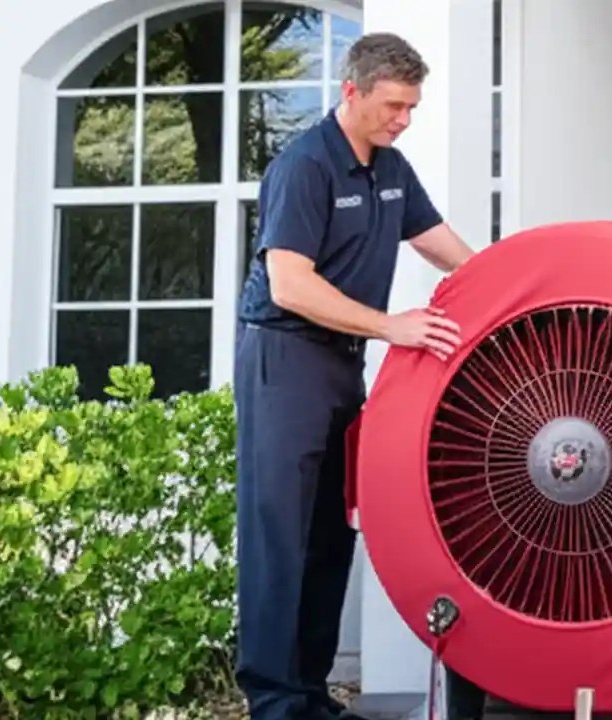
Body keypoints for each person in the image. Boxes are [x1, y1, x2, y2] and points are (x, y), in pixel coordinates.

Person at [233, 32, 479, 719]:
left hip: (343, 364)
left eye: (412, 107)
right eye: (394, 105)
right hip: (284, 360)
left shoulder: (393, 169)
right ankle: (275, 704)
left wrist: (514, 291)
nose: (404, 119)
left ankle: (310, 695)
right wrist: (392, 325)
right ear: (353, 92)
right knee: (279, 534)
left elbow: (447, 251)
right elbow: (289, 284)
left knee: (330, 534)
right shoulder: (305, 167)